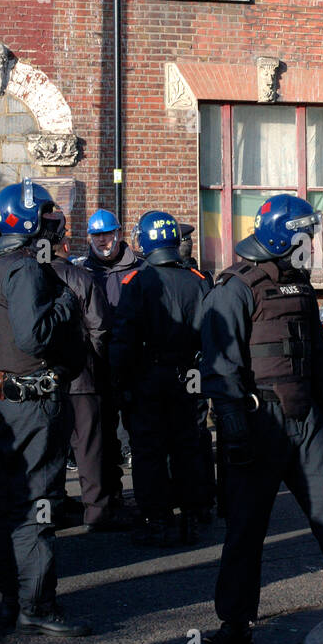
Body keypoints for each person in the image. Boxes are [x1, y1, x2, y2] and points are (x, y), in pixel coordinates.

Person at [199, 194, 323, 644]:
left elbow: (317, 358)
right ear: (281, 236)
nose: (311, 242)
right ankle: (235, 624)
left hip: (305, 420)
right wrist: (232, 426)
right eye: (305, 234)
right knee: (246, 528)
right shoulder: (234, 288)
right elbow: (219, 366)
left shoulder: (300, 285)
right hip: (259, 422)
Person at [0, 179, 90, 637]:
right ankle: (37, 604)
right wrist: (67, 302)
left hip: (7, 400)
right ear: (27, 223)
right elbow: (34, 336)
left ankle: (14, 596)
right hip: (31, 399)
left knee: (11, 504)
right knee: (37, 505)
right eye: (46, 220)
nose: (55, 228)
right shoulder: (25, 269)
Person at [112, 210, 213, 545]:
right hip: (189, 376)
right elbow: (211, 335)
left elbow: (124, 338)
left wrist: (120, 382)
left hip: (149, 377)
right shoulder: (199, 280)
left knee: (149, 451)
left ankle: (157, 519)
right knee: (188, 445)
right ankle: (194, 515)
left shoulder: (137, 281)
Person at [41, 208, 128, 533]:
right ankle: (97, 511)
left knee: (51, 449)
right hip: (84, 379)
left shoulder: (33, 275)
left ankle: (52, 509)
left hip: (46, 378)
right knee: (89, 448)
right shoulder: (81, 277)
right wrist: (94, 361)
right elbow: (100, 328)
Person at [78, 208, 139, 486]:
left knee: (139, 433)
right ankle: (111, 496)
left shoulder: (139, 268)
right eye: (97, 236)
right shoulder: (83, 271)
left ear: (118, 233)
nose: (103, 241)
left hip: (132, 360)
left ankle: (147, 500)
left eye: (107, 234)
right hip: (98, 362)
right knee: (102, 433)